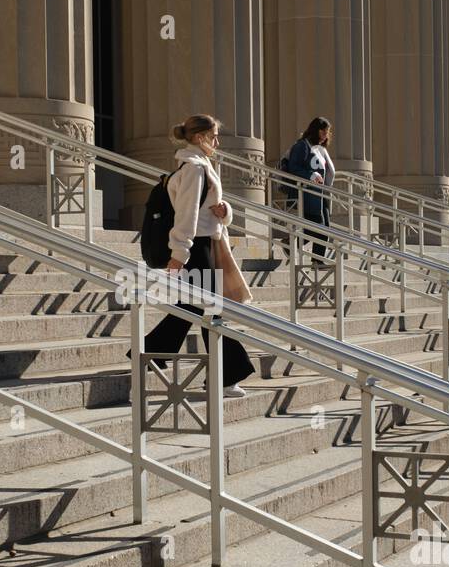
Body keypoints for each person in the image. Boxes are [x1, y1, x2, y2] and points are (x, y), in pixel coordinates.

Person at [141, 114, 256, 397]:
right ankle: (227, 375)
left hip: (205, 244)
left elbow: (205, 210)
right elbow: (187, 215)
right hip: (197, 248)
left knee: (196, 308)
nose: (217, 141)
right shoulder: (193, 168)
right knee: (210, 309)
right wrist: (179, 253)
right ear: (200, 137)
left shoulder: (200, 165)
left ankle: (149, 352)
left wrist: (225, 210)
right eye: (214, 135)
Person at [284, 117, 336, 259]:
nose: (326, 135)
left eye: (328, 132)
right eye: (324, 131)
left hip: (322, 194)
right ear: (316, 131)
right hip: (307, 195)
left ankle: (317, 260)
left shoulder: (320, 149)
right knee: (315, 227)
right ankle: (290, 243)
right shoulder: (302, 146)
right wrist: (310, 174)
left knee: (324, 228)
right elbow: (293, 167)